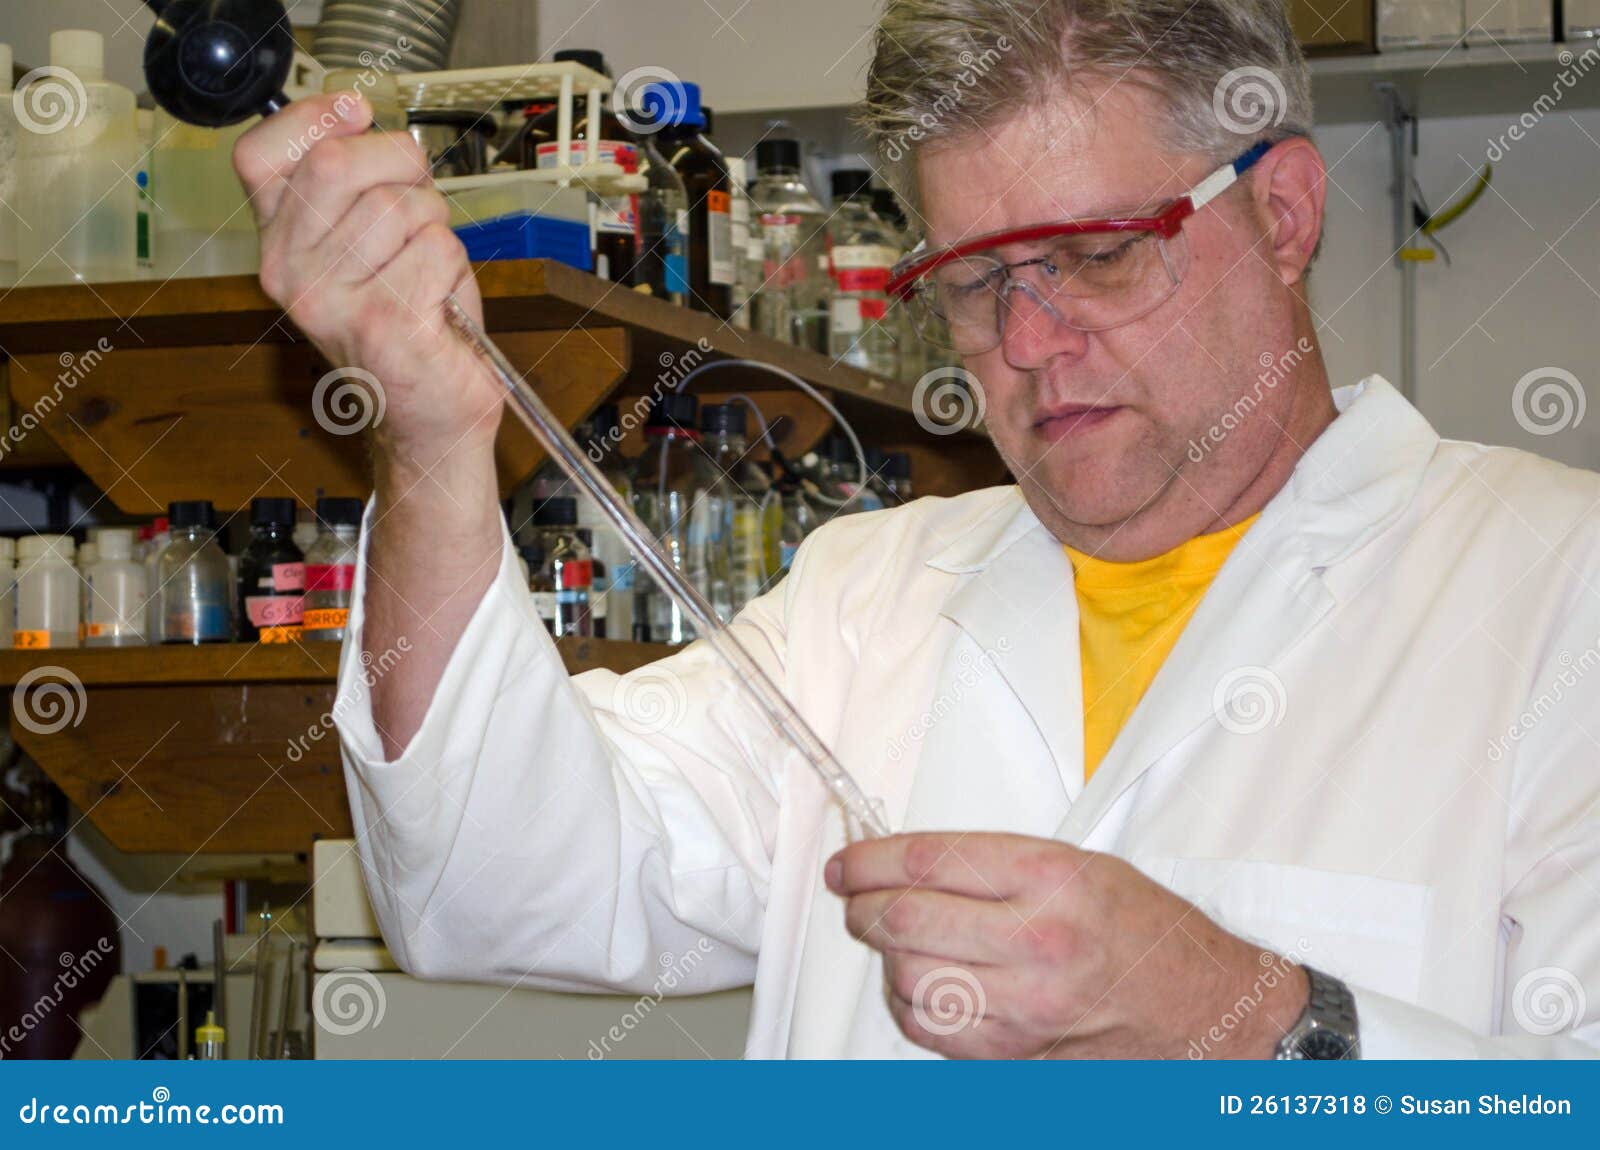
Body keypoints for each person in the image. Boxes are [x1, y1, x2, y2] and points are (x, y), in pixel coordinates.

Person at [235, 0, 1599, 1058]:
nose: (1028, 340)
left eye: (1102, 251)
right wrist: (427, 441)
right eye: (972, 278)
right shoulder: (865, 597)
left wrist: (1248, 1020)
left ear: (1285, 211)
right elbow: (486, 880)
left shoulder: (1551, 593)